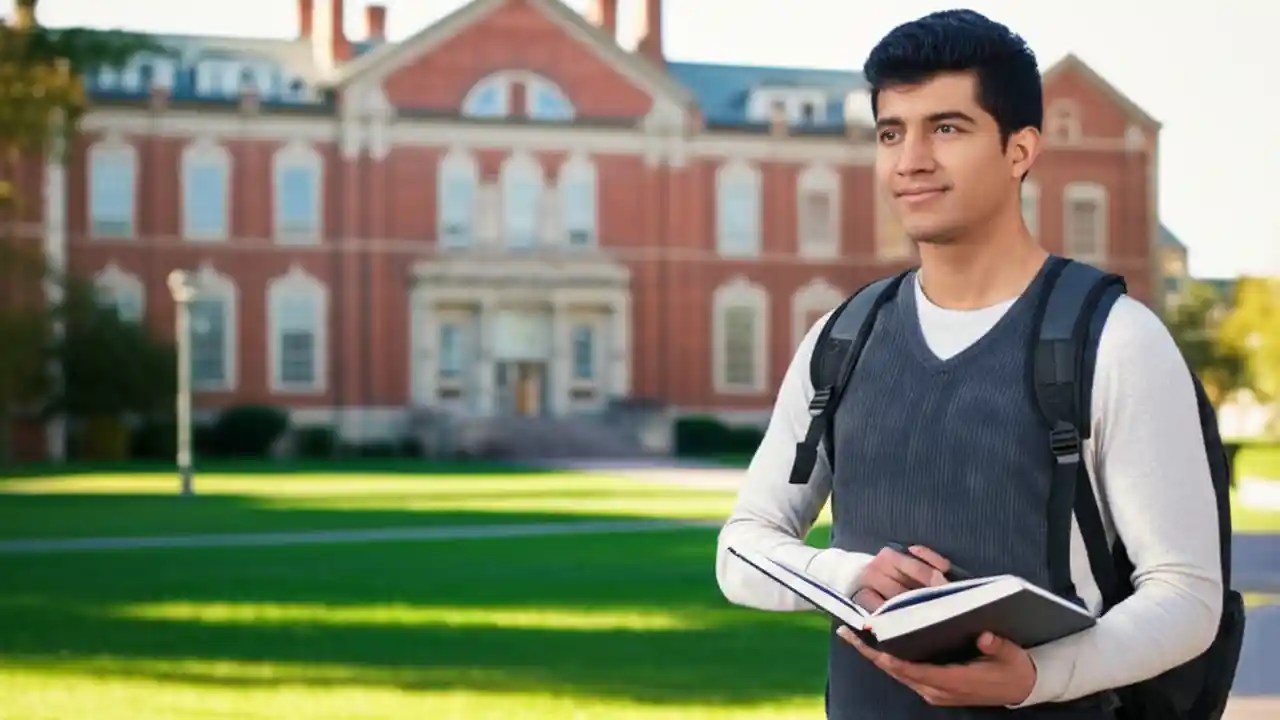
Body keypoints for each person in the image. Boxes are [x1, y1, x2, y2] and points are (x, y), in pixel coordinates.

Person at [714, 8, 1223, 719]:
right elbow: (741, 550)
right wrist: (851, 574)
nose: (910, 159)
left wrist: (1033, 679)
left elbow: (1187, 596)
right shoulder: (843, 337)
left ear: (1020, 150)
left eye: (946, 128)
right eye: (892, 132)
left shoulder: (1116, 341)